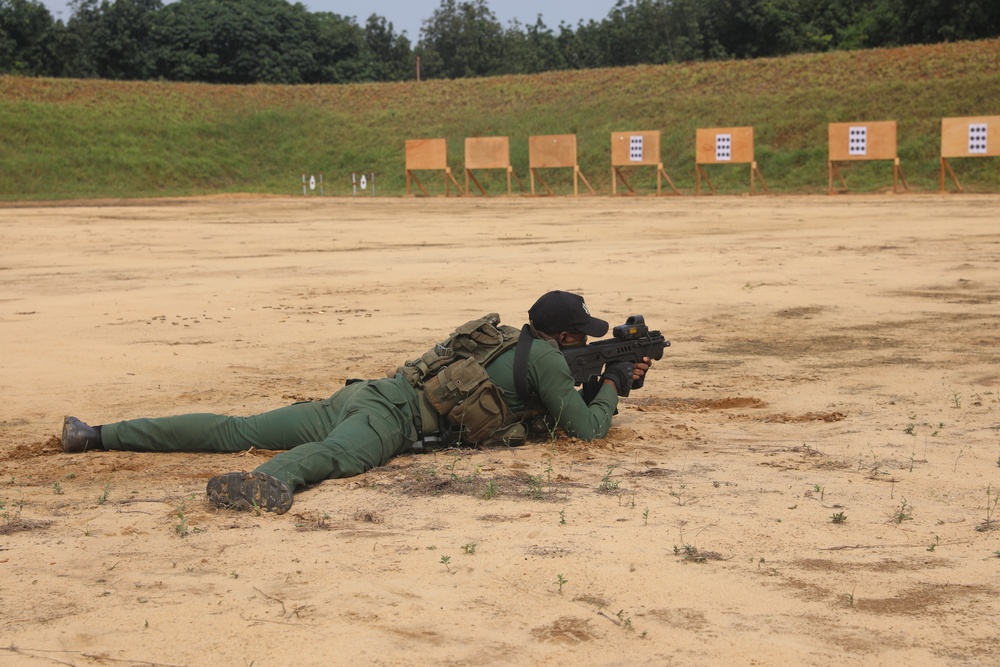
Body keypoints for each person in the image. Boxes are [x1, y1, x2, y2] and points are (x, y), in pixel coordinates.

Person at [62, 291, 652, 514]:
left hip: (367, 393)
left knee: (234, 425)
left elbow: (538, 403)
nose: (588, 341)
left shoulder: (509, 339)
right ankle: (266, 482)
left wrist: (602, 373)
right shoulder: (550, 361)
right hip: (389, 421)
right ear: (567, 337)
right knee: (332, 457)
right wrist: (613, 385)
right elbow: (586, 431)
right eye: (585, 335)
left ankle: (95, 435)